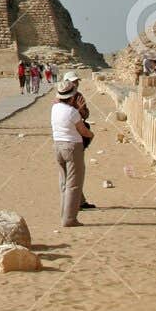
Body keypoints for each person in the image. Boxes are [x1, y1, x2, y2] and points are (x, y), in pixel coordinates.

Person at [51, 77, 92, 226]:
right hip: (72, 147)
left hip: (58, 146)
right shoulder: (72, 112)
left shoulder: (55, 108)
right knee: (74, 184)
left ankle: (64, 214)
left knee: (64, 182)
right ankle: (69, 219)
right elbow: (83, 131)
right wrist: (91, 134)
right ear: (72, 96)